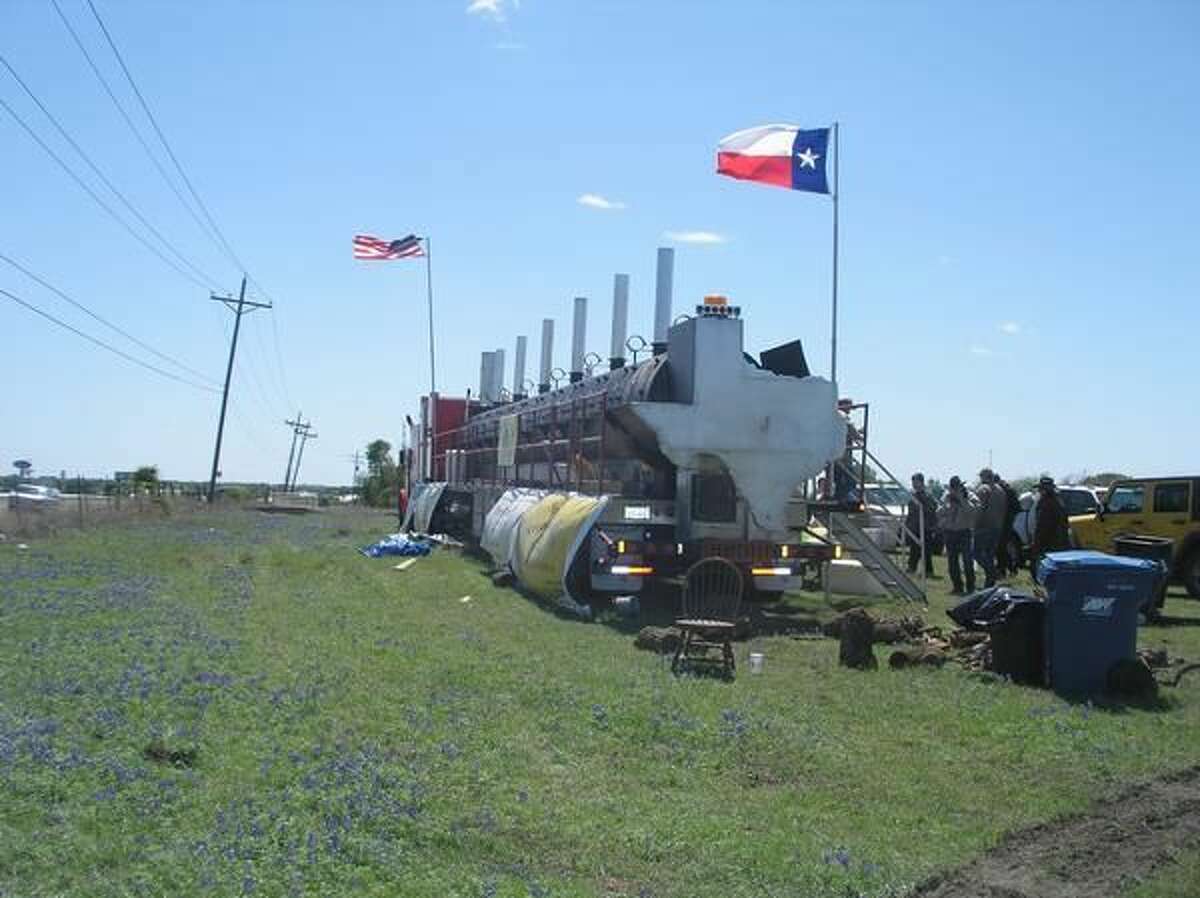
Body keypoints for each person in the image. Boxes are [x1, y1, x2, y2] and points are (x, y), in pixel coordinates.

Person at [939, 476, 978, 595]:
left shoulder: (970, 496)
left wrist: (962, 499)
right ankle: (957, 587)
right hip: (950, 533)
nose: (954, 490)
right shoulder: (946, 496)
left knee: (967, 561)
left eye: (956, 487)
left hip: (964, 532)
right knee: (952, 562)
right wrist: (946, 505)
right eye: (953, 487)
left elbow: (973, 511)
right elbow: (939, 512)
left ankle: (971, 587)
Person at [973, 468, 1006, 588]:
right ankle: (989, 583)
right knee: (990, 554)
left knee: (976, 553)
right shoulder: (1001, 490)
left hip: (984, 526)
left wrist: (974, 524)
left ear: (984, 477)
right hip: (997, 526)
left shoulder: (983, 489)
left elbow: (979, 509)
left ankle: (992, 572)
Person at [1031, 475, 1070, 575]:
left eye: (1040, 489)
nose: (1039, 491)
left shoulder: (1046, 503)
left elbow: (1042, 526)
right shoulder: (1058, 501)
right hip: (1060, 541)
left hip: (1049, 543)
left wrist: (1036, 544)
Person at [905, 473, 938, 577]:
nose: (913, 484)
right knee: (914, 549)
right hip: (915, 526)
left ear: (921, 482)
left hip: (926, 527)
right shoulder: (913, 496)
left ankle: (928, 570)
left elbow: (932, 509)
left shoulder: (927, 495)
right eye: (913, 481)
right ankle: (912, 567)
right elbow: (910, 512)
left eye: (915, 481)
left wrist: (933, 526)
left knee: (926, 551)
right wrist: (907, 525)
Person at [994, 472, 1021, 576]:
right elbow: (1017, 508)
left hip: (1004, 522)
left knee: (1000, 547)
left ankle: (1003, 570)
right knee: (1003, 547)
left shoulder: (1002, 490)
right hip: (1008, 522)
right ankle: (1009, 568)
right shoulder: (1009, 489)